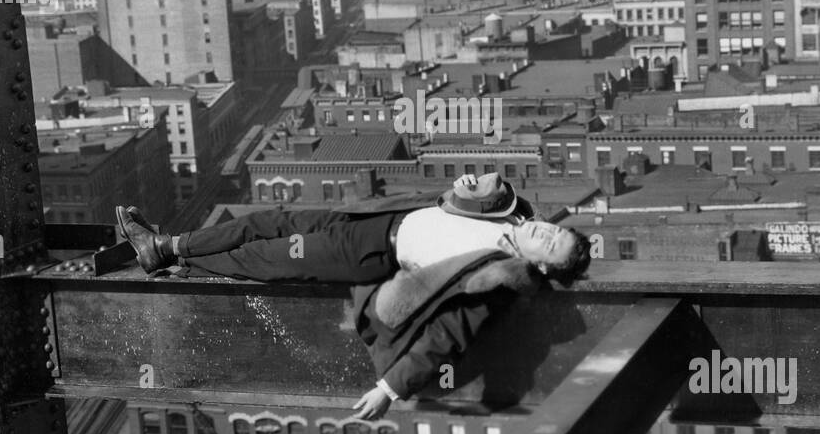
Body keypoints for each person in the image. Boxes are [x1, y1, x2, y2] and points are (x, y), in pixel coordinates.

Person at [116, 173, 593, 419]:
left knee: (262, 259)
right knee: (266, 221)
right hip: (374, 218)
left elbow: (447, 337)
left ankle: (169, 255)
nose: (544, 231)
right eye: (553, 229)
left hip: (367, 254)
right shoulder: (513, 214)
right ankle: (168, 247)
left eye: (550, 242)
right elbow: (476, 189)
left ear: (544, 266)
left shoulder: (497, 279)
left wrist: (389, 389)